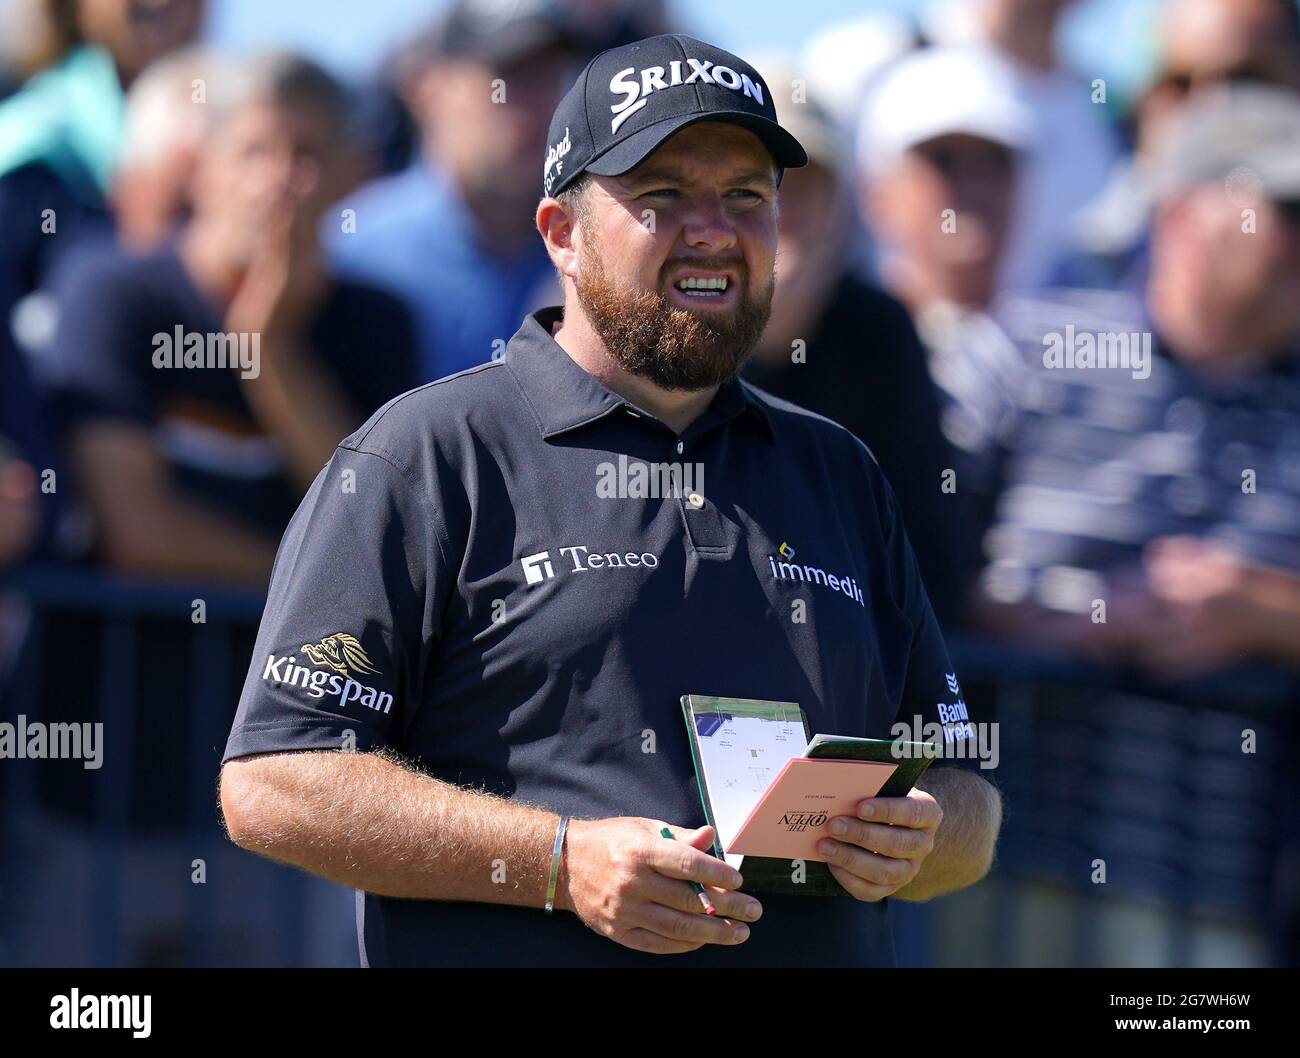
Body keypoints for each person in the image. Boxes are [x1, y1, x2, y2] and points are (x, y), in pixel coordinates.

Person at [219, 34, 1002, 969]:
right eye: (662, 195)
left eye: (746, 197)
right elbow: (275, 784)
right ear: (562, 234)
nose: (712, 229)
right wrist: (558, 862)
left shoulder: (840, 473)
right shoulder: (425, 456)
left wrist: (920, 835)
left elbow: (966, 798)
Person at [48, 53, 416, 584]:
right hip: (137, 661)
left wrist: (270, 350)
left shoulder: (378, 320)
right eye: (254, 152)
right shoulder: (113, 295)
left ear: (347, 178)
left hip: (306, 667)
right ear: (202, 168)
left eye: (308, 154)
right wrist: (318, 587)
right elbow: (137, 534)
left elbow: (374, 526)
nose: (280, 180)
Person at [741, 60, 971, 622]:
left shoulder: (879, 329)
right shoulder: (663, 316)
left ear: (838, 202)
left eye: (802, 181)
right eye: (753, 184)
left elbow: (928, 552)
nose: (780, 207)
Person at [326, 0, 588, 381]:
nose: (538, 105)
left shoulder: (598, 247)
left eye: (550, 77)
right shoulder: (348, 251)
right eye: (509, 77)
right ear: (426, 89)